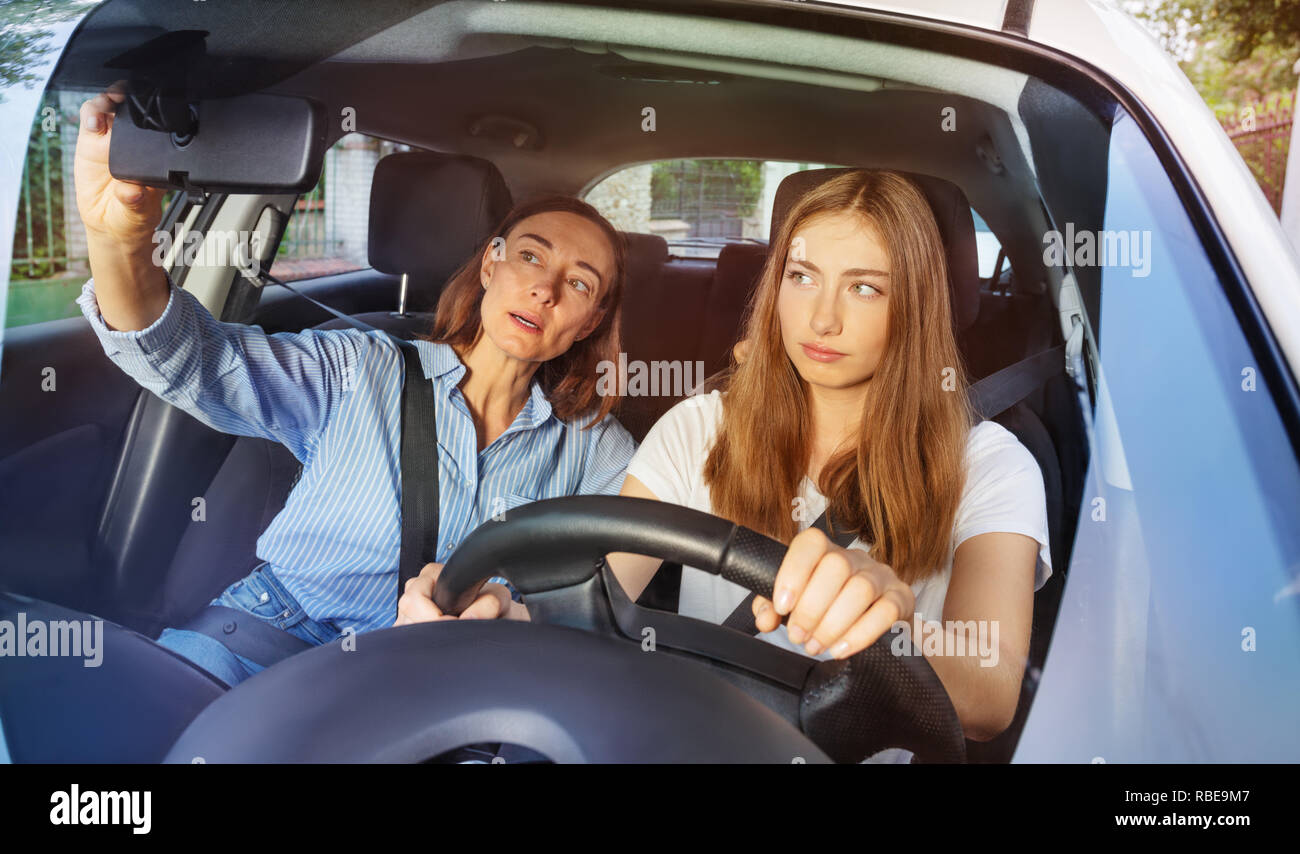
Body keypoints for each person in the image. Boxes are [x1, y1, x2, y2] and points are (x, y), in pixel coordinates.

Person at [73, 87, 636, 687]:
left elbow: (598, 605)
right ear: (491, 264)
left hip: (446, 676)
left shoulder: (598, 450)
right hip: (273, 641)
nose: (545, 290)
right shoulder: (359, 365)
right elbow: (191, 359)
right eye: (530, 257)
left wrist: (513, 610)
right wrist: (119, 241)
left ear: (593, 320)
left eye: (578, 284)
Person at [605, 169, 1052, 760]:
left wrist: (888, 625)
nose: (822, 319)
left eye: (864, 287)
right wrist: (509, 611)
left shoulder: (992, 464)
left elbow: (990, 698)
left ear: (913, 306)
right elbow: (600, 594)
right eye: (802, 277)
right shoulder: (699, 426)